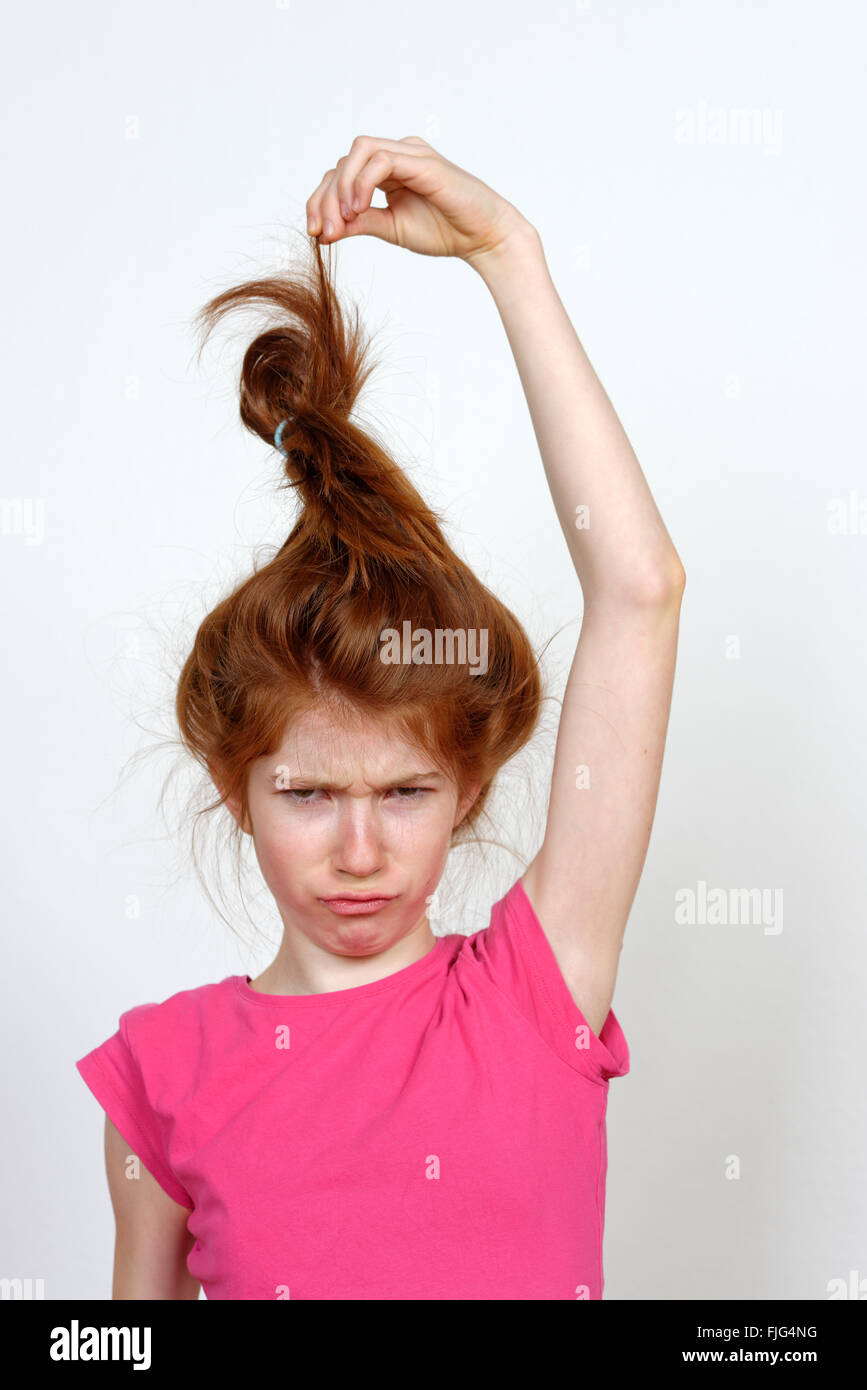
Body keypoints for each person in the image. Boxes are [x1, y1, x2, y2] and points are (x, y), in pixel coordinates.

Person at [75, 134, 686, 1300]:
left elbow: (640, 592)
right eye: (306, 794)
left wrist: (510, 257)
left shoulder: (533, 992)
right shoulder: (162, 1073)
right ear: (234, 786)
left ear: (467, 790)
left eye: (404, 792)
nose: (360, 854)